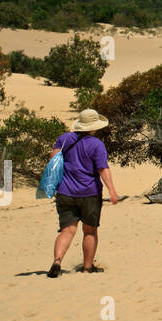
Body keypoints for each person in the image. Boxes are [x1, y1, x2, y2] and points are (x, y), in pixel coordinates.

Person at [47, 109, 120, 278]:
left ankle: (57, 261)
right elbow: (102, 169)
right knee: (90, 231)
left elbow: (53, 158)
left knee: (67, 230)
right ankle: (87, 268)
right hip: (90, 193)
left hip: (65, 192)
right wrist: (112, 190)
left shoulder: (64, 139)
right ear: (94, 127)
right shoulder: (96, 145)